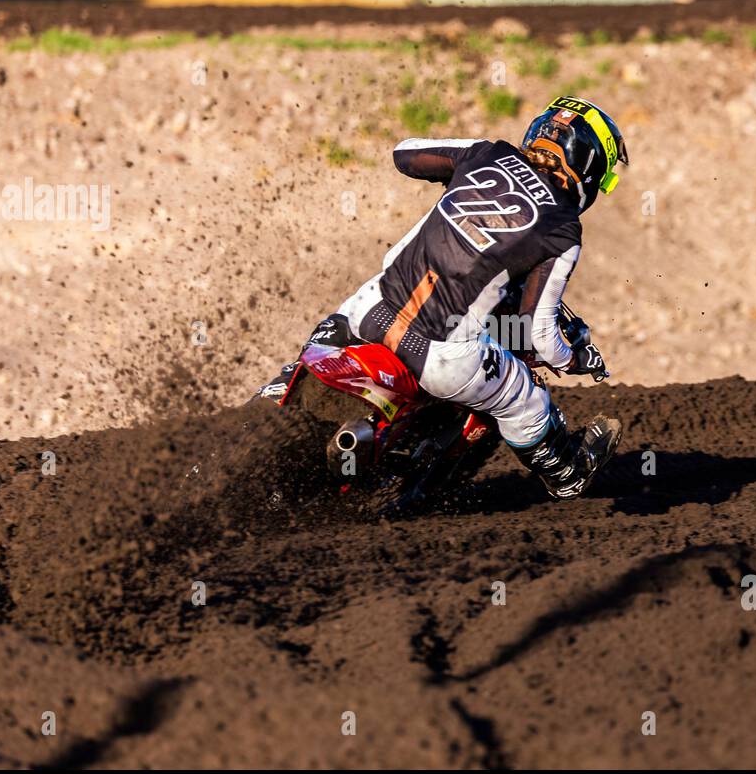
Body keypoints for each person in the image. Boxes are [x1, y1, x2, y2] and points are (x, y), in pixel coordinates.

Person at [265, 96, 629, 499]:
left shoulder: (487, 154)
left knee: (325, 338)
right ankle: (566, 472)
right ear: (590, 165)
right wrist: (574, 358)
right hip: (441, 353)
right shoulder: (563, 229)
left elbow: (403, 154)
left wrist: (462, 171)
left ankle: (273, 400)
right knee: (524, 398)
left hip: (371, 310)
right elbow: (538, 333)